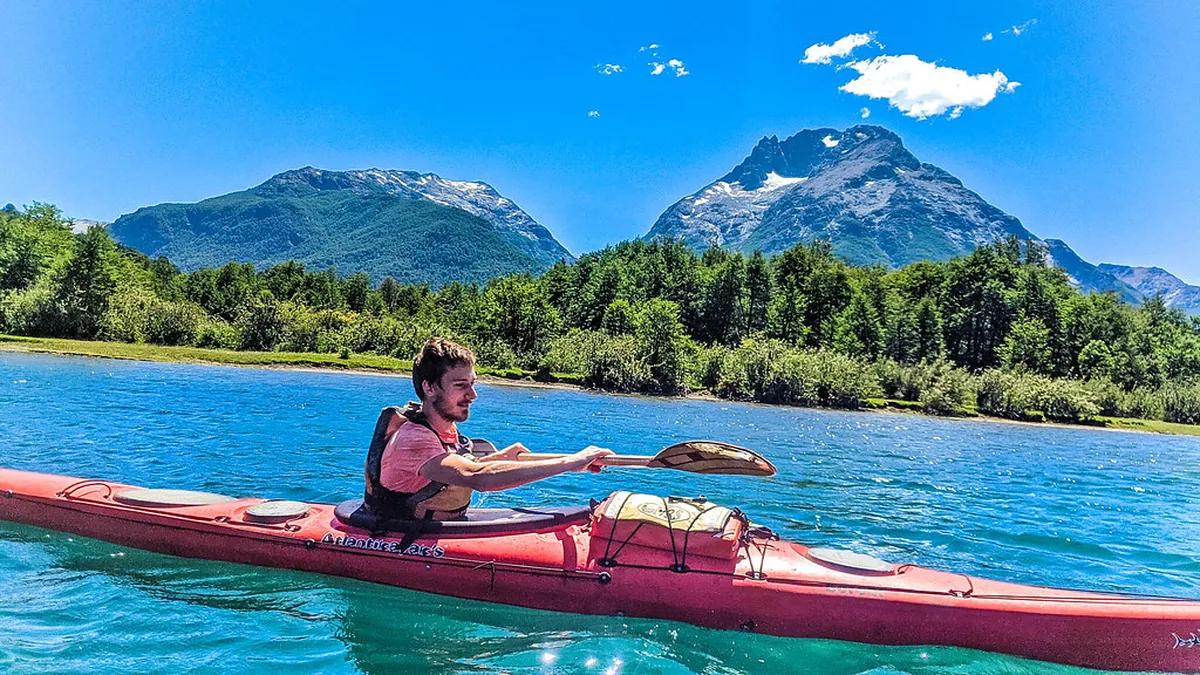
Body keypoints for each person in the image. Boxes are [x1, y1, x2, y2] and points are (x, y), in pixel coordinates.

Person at [362, 337, 613, 521]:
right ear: (429, 388)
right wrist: (571, 462)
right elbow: (478, 477)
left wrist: (502, 458)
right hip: (400, 536)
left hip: (431, 528)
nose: (473, 395)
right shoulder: (414, 439)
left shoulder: (444, 431)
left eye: (472, 384)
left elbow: (456, 471)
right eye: (461, 385)